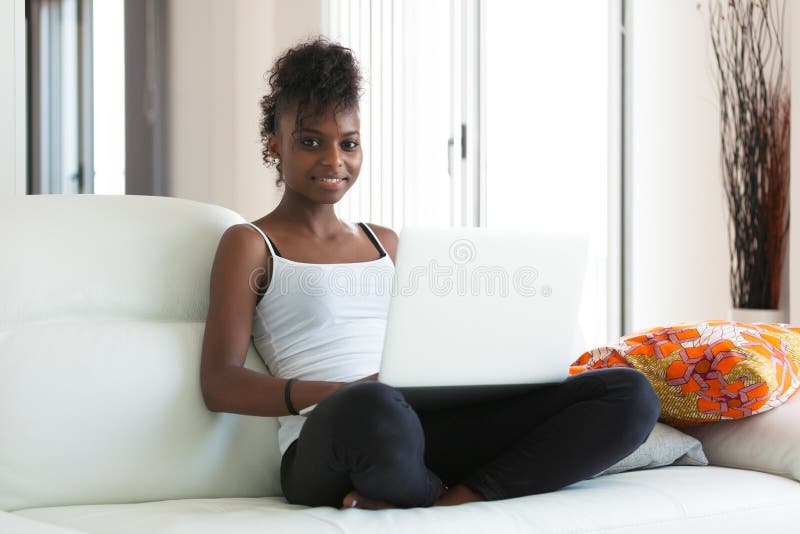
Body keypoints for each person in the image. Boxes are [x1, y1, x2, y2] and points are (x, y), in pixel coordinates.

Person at [200, 37, 661, 510]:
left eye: (349, 143)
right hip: (335, 436)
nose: (334, 161)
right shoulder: (250, 243)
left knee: (630, 394)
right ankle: (418, 487)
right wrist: (341, 392)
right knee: (375, 408)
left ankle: (454, 498)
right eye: (311, 142)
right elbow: (220, 382)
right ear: (275, 145)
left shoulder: (387, 243)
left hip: (418, 422)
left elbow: (429, 345)